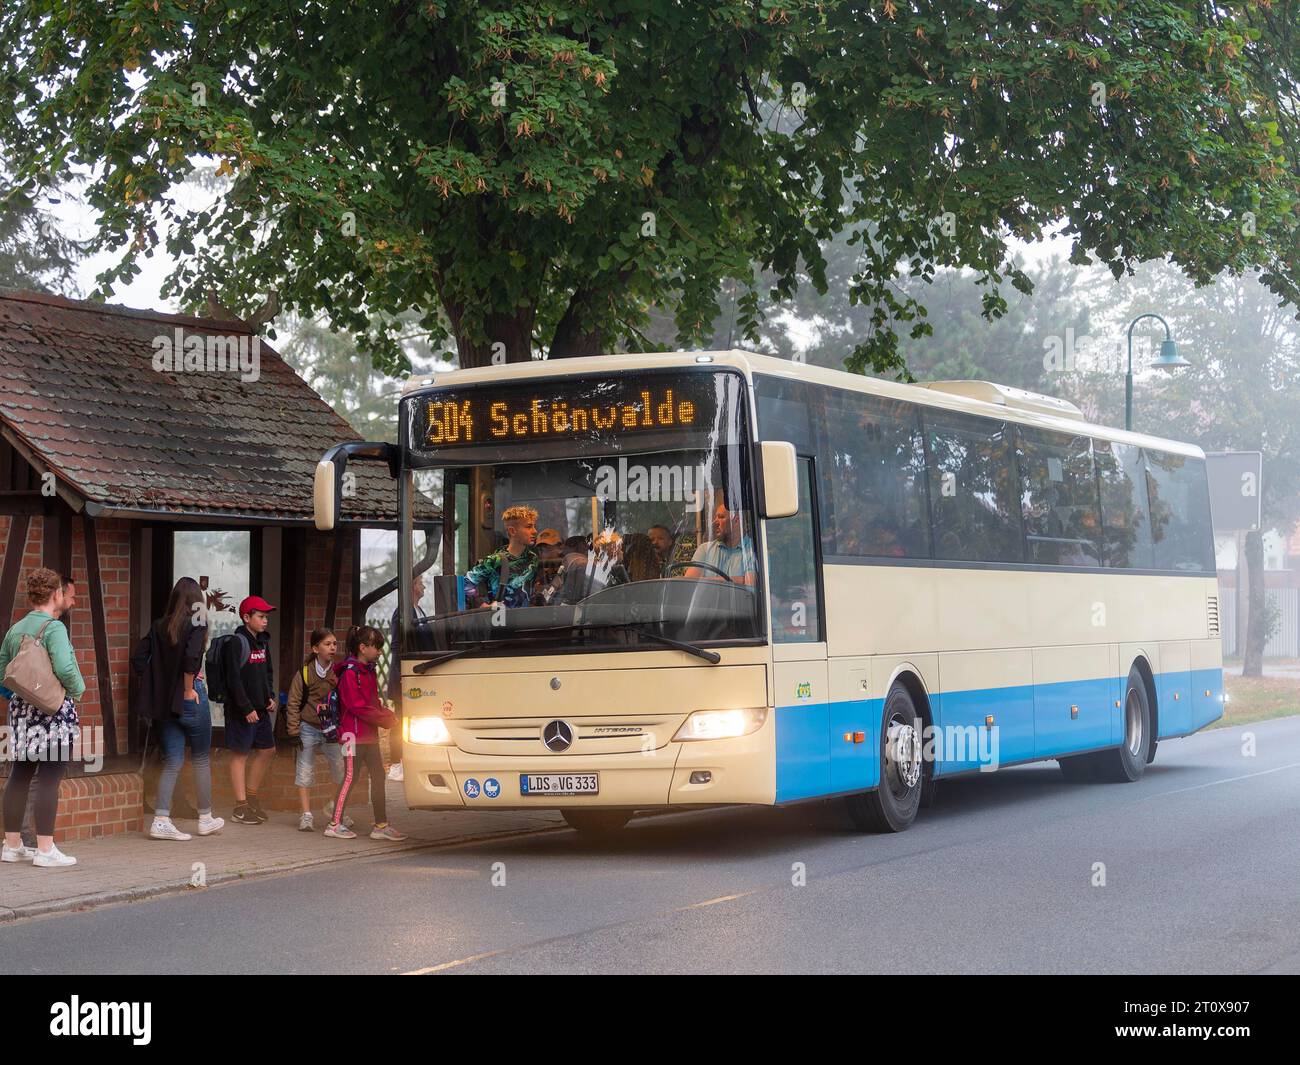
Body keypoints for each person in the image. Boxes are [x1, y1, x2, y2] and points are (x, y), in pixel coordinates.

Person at [0, 568, 83, 867]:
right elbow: (65, 668)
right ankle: (45, 850)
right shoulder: (54, 628)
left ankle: (11, 846)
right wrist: (77, 690)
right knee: (49, 778)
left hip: (21, 713)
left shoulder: (16, 628)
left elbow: (2, 672)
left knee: (19, 775)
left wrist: (18, 698)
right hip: (52, 714)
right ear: (56, 594)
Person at [136, 577, 225, 841]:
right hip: (189, 697)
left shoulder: (159, 625)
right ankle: (205, 818)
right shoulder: (197, 622)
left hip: (165, 701)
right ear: (196, 600)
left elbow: (139, 659)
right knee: (200, 758)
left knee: (173, 760)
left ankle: (161, 819)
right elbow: (191, 658)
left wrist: (161, 682)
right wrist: (187, 688)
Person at [325, 626, 406, 842]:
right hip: (352, 735)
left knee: (378, 776)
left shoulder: (367, 670)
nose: (380, 651)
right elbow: (356, 706)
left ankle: (381, 825)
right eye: (376, 647)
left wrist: (386, 715)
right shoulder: (351, 673)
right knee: (350, 778)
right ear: (363, 647)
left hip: (368, 734)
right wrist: (385, 718)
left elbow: (372, 703)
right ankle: (334, 823)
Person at [286, 627, 355, 831]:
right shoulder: (305, 673)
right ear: (315, 648)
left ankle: (336, 807)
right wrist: (293, 731)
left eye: (334, 644)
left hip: (333, 730)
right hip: (308, 727)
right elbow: (293, 702)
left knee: (341, 772)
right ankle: (306, 815)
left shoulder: (339, 672)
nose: (332, 647)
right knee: (304, 771)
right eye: (327, 644)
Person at [224, 595, 278, 826]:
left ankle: (252, 797)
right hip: (242, 710)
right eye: (261, 616)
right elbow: (233, 679)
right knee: (240, 755)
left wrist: (270, 697)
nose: (265, 621)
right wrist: (245, 707)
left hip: (261, 709)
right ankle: (240, 806)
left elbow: (267, 673)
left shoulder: (263, 642)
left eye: (266, 617)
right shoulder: (237, 642)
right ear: (247, 618)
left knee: (268, 750)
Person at [386, 574, 432, 783]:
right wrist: (400, 673)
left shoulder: (419, 610)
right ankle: (397, 762)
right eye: (420, 582)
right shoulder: (402, 613)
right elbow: (397, 646)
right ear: (412, 587)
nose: (423, 586)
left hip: (418, 675)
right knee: (400, 720)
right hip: (404, 677)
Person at [463, 504, 540, 609]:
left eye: (534, 526)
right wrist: (483, 606)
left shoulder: (533, 558)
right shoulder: (495, 560)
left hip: (525, 620)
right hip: (500, 620)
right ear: (512, 531)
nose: (534, 531)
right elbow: (466, 583)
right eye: (528, 526)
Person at [684, 500, 758, 585]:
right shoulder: (705, 549)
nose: (715, 522)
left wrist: (704, 580)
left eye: (721, 517)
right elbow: (689, 583)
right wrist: (740, 580)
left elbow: (750, 587)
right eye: (716, 517)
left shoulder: (754, 550)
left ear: (737, 521)